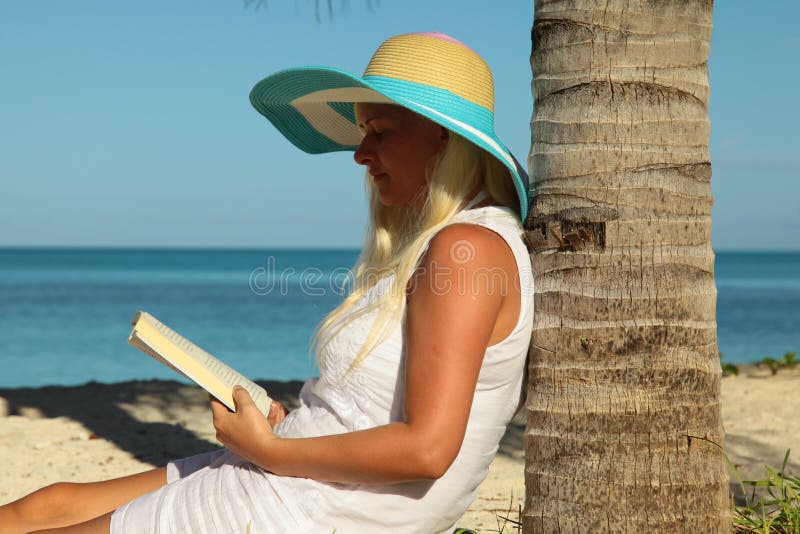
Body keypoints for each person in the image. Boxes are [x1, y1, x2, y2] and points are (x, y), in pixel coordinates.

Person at [0, 31, 534, 533]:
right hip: (305, 477)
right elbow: (377, 412)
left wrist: (272, 451)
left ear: (442, 134)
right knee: (47, 505)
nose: (359, 153)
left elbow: (427, 450)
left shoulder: (466, 252)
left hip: (312, 505)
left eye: (378, 131)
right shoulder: (449, 245)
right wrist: (279, 432)